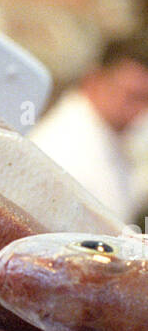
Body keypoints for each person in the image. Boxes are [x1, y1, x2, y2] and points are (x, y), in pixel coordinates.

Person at [29, 37, 148, 223]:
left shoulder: (111, 131)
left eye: (145, 100)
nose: (139, 111)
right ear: (94, 81)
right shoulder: (63, 145)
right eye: (132, 96)